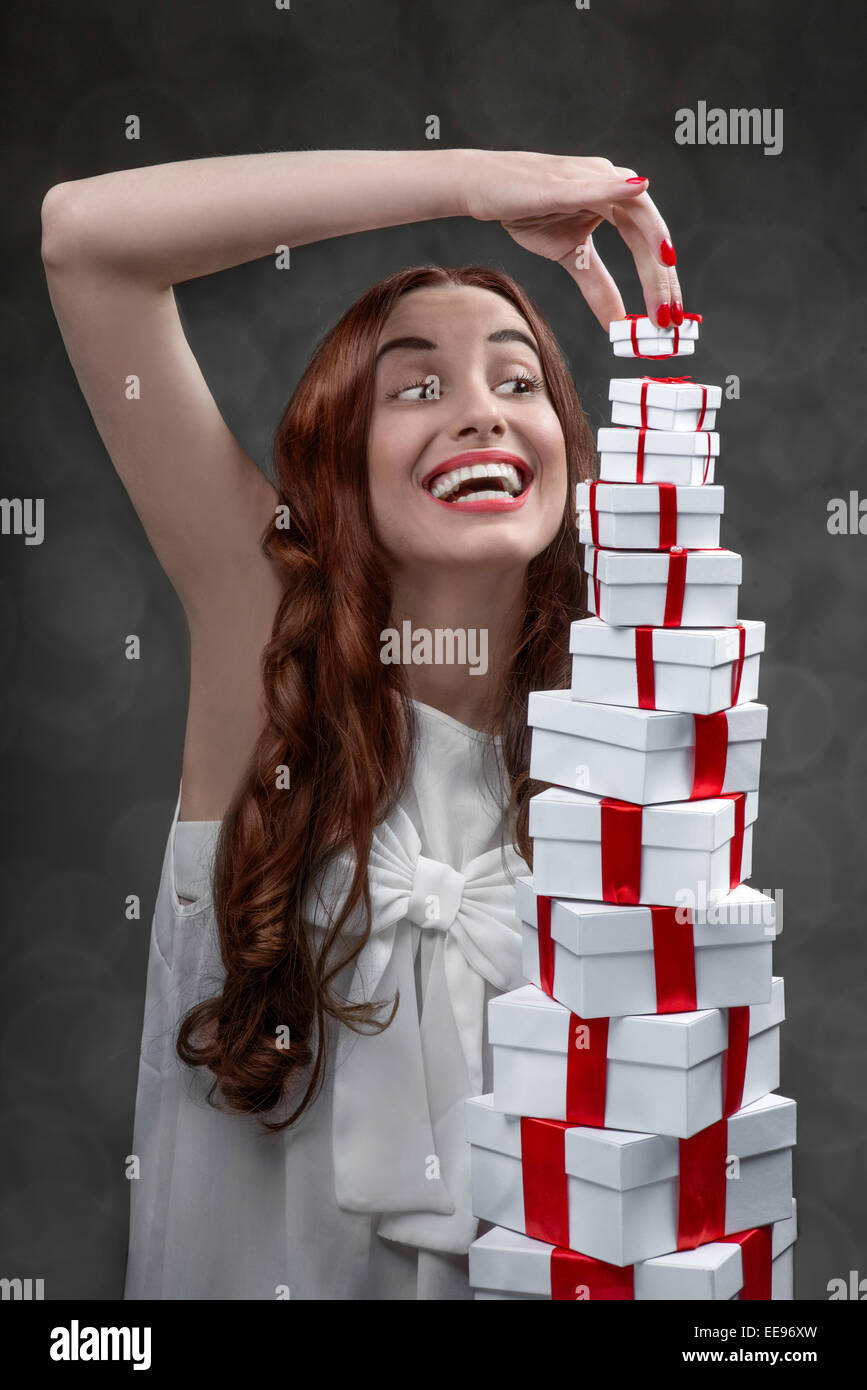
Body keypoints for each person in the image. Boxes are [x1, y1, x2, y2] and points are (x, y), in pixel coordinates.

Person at [40, 149, 683, 1300]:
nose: (481, 410)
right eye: (418, 388)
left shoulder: (610, 772)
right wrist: (476, 183)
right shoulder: (264, 650)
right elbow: (88, 241)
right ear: (337, 462)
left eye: (518, 379)